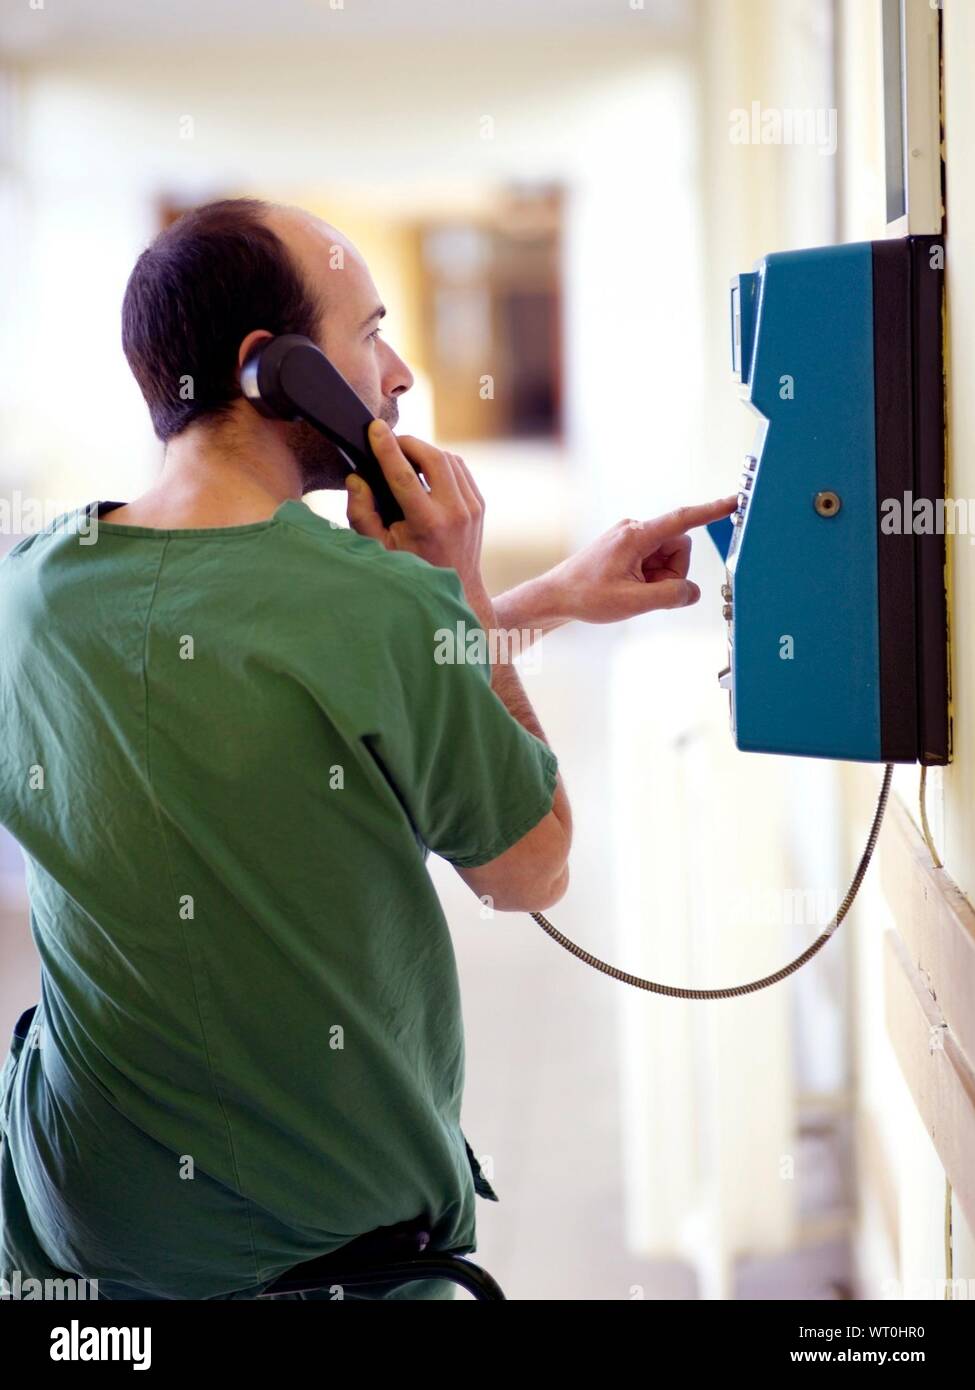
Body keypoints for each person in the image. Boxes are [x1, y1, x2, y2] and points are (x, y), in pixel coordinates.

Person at [0, 198, 735, 1300]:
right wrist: (462, 587)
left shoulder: (32, 589)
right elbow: (531, 865)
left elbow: (266, 682)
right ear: (277, 371)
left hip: (71, 1231)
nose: (394, 376)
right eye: (369, 334)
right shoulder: (382, 605)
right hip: (316, 1253)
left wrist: (549, 597)